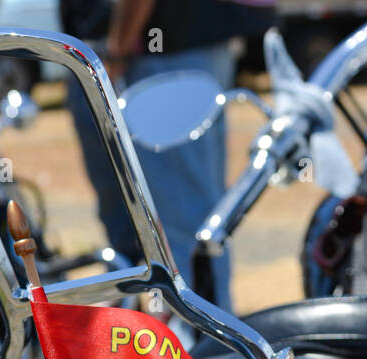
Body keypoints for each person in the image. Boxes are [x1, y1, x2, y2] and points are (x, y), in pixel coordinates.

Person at [60, 0, 277, 314]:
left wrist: (119, 45)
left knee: (188, 223)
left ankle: (208, 341)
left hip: (160, 47)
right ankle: (146, 330)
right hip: (115, 48)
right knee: (129, 223)